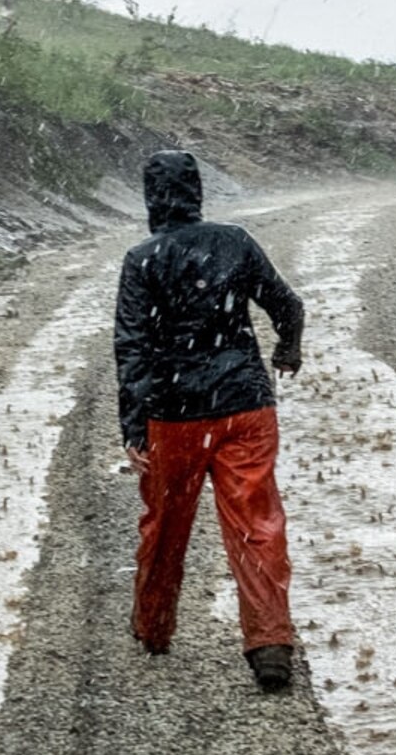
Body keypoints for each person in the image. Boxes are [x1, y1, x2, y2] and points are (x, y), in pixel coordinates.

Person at [113, 150, 306, 690]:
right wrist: (287, 353)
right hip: (246, 406)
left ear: (151, 198)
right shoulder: (235, 242)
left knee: (166, 526)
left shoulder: (143, 258)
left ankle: (153, 628)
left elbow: (131, 349)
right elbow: (288, 306)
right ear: (198, 192)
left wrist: (133, 427)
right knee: (257, 525)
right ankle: (270, 642)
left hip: (173, 416)